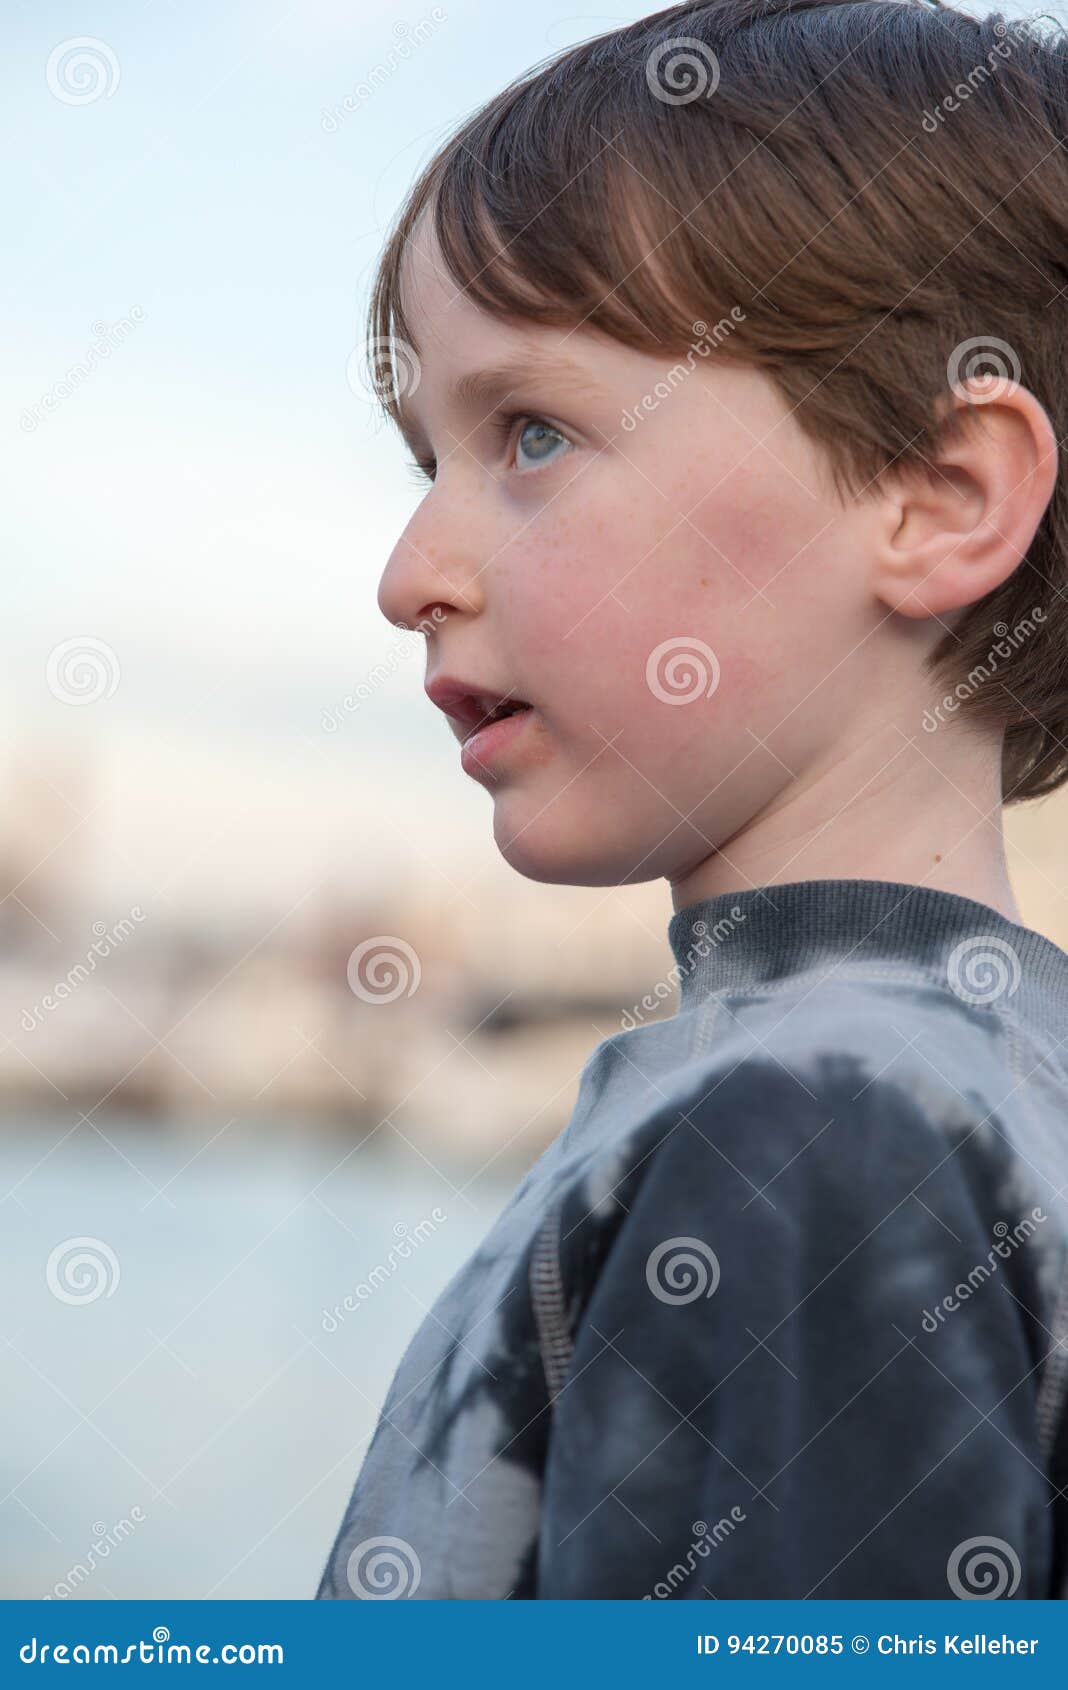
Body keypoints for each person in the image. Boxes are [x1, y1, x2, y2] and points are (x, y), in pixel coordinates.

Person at [317, 0, 1068, 1599]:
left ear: (941, 497)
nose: (409, 575)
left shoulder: (810, 1129)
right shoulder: (989, 1092)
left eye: (531, 433)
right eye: (419, 462)